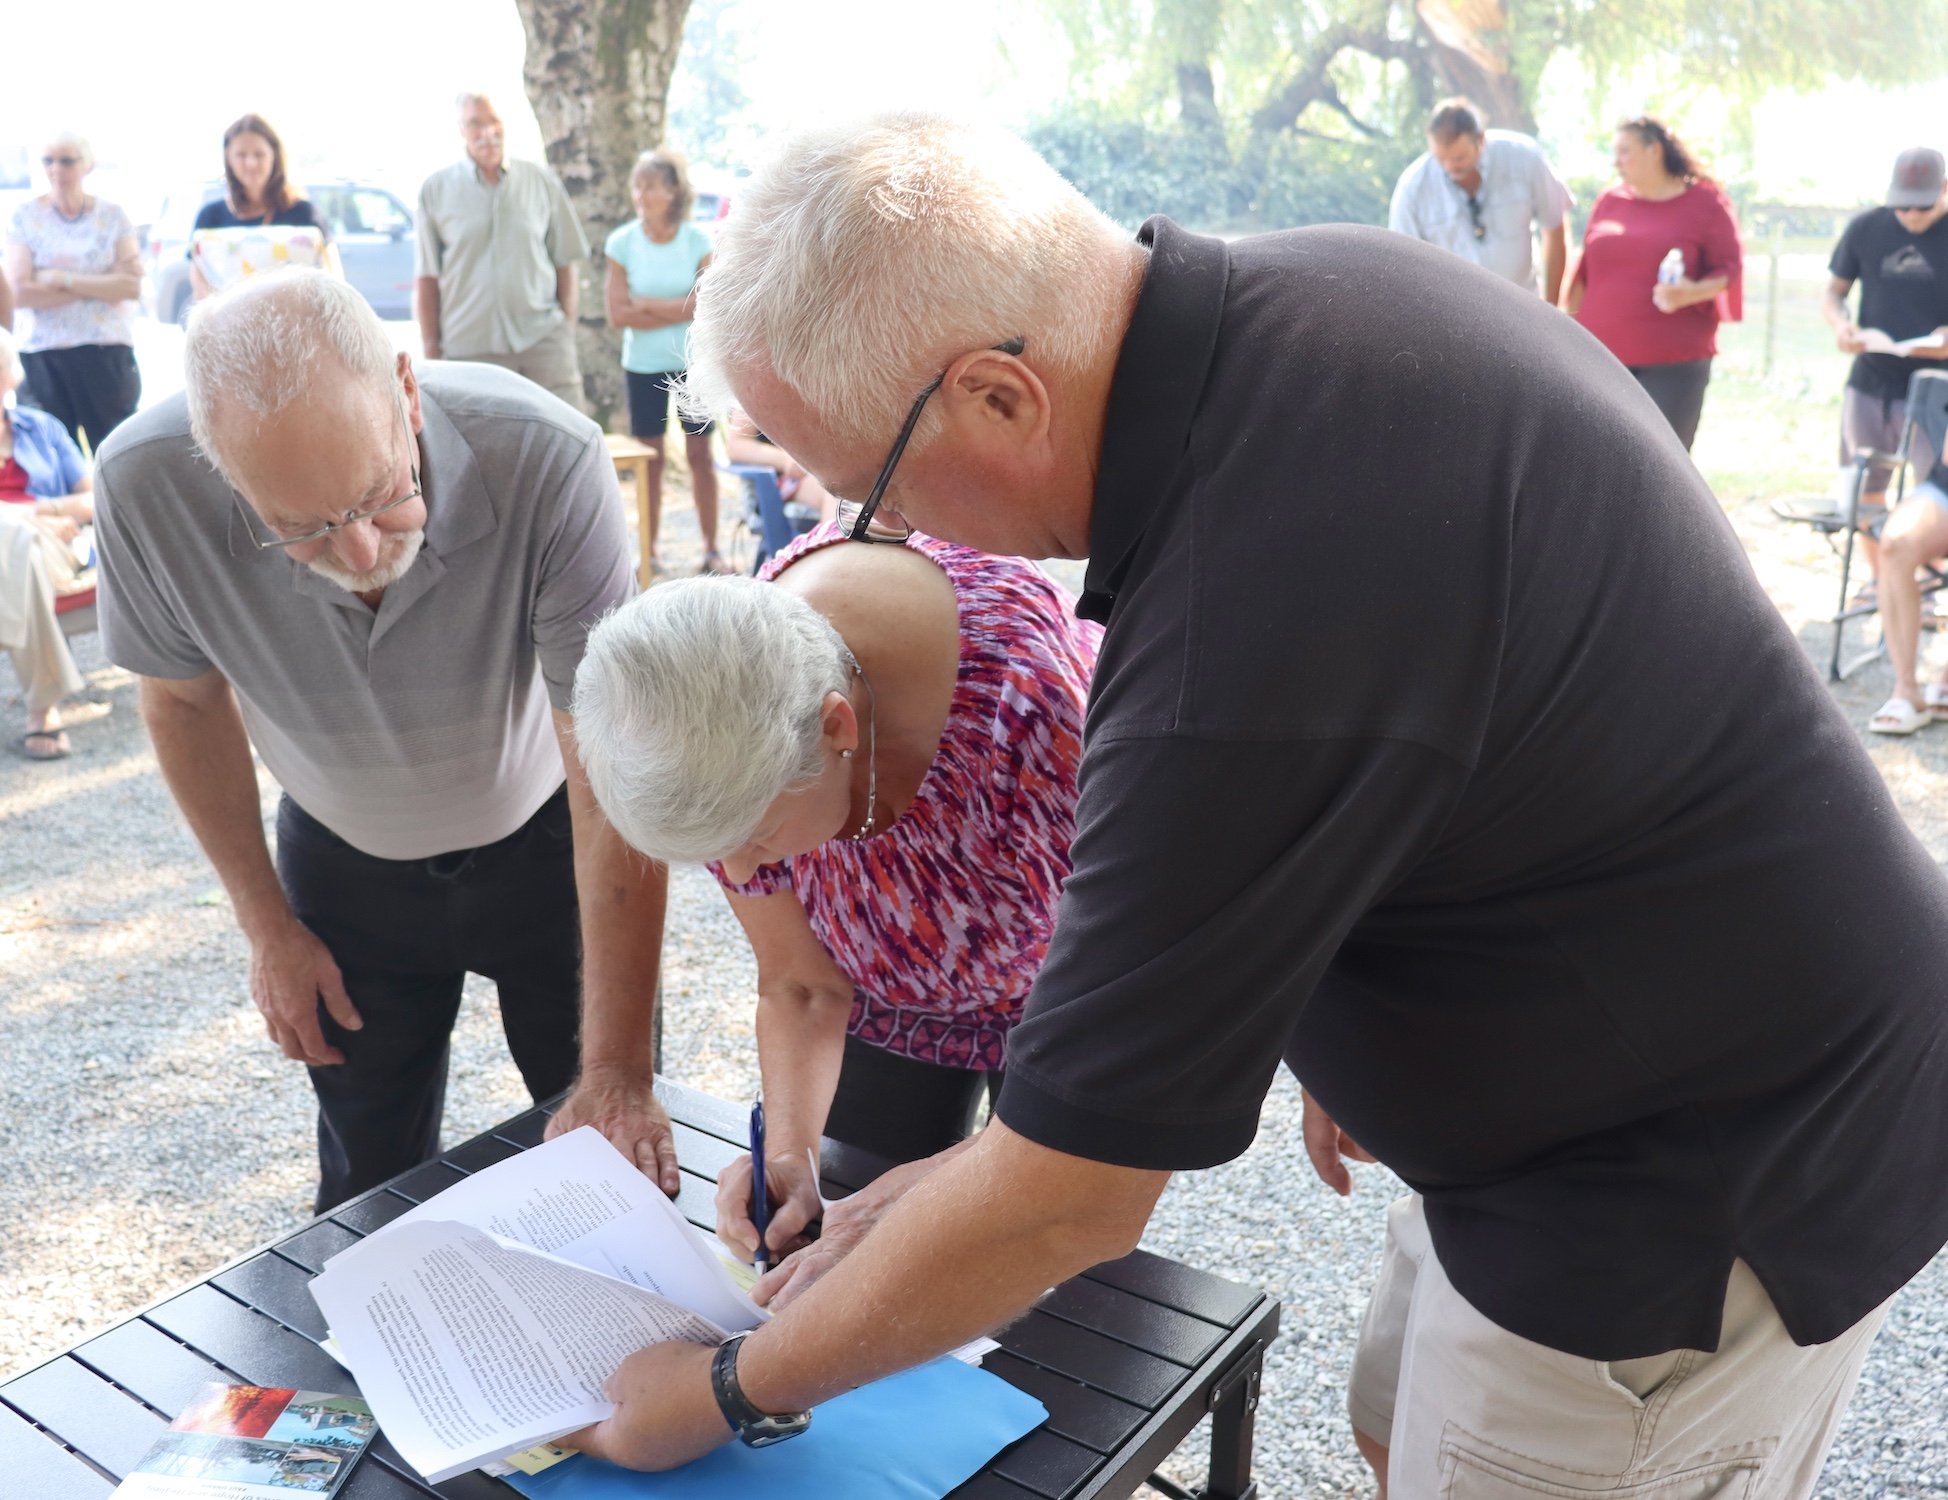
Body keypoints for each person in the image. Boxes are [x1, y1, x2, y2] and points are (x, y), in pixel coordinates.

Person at [567, 114, 1948, 1500]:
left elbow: (1075, 1194)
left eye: (865, 490)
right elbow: (1441, 735)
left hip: (1687, 1186)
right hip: (1566, 1086)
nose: (860, 536)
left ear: (999, 397)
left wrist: (721, 1388)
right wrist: (891, 1205)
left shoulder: (1238, 633)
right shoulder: (1321, 296)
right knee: (1398, 1429)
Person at [91, 269, 680, 1211]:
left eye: (378, 493)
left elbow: (610, 759)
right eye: (303, 528)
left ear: (406, 390)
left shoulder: (545, 455)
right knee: (366, 1182)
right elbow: (186, 705)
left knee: (608, 1162)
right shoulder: (140, 483)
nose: (361, 552)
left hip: (551, 843)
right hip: (343, 863)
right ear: (216, 465)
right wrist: (267, 926)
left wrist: (618, 1070)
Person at [571, 524, 1100, 1275]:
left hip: (1068, 1006)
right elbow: (799, 981)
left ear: (837, 727)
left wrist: (965, 1188)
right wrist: (790, 1156)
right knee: (857, 1247)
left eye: (755, 836)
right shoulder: (722, 702)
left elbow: (1118, 1048)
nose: (744, 869)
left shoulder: (1042, 712)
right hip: (879, 1007)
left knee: (1046, 1261)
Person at [1822, 148, 1948, 733]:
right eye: (1904, 206)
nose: (1912, 217)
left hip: (1938, 389)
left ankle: (1927, 598)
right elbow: (1833, 292)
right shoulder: (1867, 227)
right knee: (1865, 492)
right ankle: (1881, 584)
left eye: (1923, 208)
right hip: (1871, 378)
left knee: (1930, 493)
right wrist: (1842, 325)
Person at [1565, 116, 1743, 451]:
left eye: (1625, 151)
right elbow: (1584, 272)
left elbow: (1728, 270)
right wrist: (1565, 332)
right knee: (1593, 458)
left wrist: (1691, 293)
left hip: (1672, 365)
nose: (1616, 161)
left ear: (1654, 151)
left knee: (1659, 464)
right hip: (1598, 358)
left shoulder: (1706, 201)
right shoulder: (1609, 200)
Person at [416, 94, 590, 411]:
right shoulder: (435, 190)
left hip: (542, 341)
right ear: (461, 130)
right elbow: (427, 278)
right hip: (470, 348)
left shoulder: (541, 181)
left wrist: (566, 326)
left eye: (493, 121)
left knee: (567, 440)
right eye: (475, 124)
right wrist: (432, 347)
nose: (487, 132)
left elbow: (565, 261)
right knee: (485, 450)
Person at [604, 149, 726, 574]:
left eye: (650, 185)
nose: (641, 194)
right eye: (637, 185)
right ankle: (649, 553)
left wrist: (649, 305)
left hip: (693, 363)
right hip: (643, 366)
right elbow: (619, 314)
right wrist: (678, 305)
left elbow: (706, 306)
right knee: (650, 460)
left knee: (700, 457)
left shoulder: (698, 241)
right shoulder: (621, 243)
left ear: (673, 192)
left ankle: (711, 549)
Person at [4, 133, 142, 451]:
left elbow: (131, 286)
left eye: (66, 160)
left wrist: (58, 278)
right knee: (53, 454)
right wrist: (101, 284)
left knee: (117, 451)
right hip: (43, 353)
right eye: (48, 161)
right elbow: (20, 292)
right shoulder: (24, 216)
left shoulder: (113, 215)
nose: (56, 169)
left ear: (87, 166)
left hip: (105, 350)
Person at [0, 323, 95, 759]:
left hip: (58, 545)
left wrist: (39, 513)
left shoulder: (41, 428)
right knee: (20, 541)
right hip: (27, 546)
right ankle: (43, 709)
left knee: (22, 541)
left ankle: (44, 703)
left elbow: (96, 499)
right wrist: (30, 516)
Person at [1387, 97, 1573, 301]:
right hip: (1454, 320)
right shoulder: (1412, 189)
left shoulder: (1526, 158)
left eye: (1460, 158)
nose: (1450, 168)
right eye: (1441, 159)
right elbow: (1403, 266)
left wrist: (1551, 307)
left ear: (1481, 139)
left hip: (1524, 307)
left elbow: (1555, 228)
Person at [190, 114, 340, 302]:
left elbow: (334, 278)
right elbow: (200, 287)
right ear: (228, 160)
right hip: (229, 328)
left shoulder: (305, 214)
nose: (251, 163)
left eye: (259, 154)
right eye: (241, 155)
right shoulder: (210, 218)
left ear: (274, 156)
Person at [723, 408, 836, 526]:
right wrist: (785, 460)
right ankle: (832, 540)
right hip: (787, 478)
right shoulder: (752, 392)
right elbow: (736, 445)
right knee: (835, 490)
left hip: (826, 464)